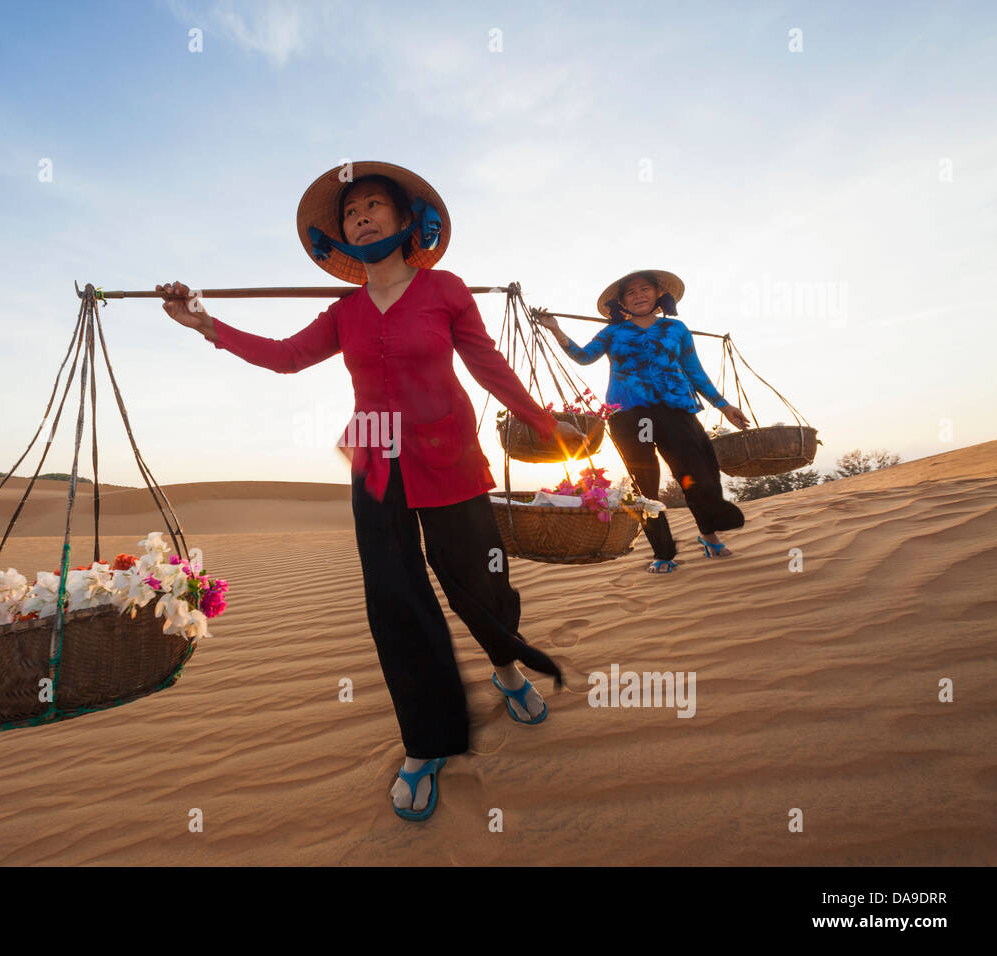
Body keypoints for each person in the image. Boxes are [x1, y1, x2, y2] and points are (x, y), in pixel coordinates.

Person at [157, 162, 585, 821]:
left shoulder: (444, 290)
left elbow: (485, 363)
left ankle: (506, 668)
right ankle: (425, 741)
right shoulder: (345, 311)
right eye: (350, 211)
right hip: (376, 454)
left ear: (407, 220)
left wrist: (541, 420)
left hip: (448, 450)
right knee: (395, 600)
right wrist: (203, 323)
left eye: (374, 203)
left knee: (479, 583)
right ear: (344, 237)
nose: (360, 215)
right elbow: (284, 356)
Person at [537, 269, 750, 572]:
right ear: (621, 303)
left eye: (645, 289)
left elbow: (694, 371)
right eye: (631, 292)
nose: (639, 295)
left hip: (675, 410)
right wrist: (555, 330)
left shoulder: (676, 329)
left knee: (695, 476)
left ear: (658, 295)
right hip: (629, 415)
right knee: (645, 486)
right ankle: (663, 553)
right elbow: (584, 357)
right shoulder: (613, 333)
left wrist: (724, 405)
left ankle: (708, 533)